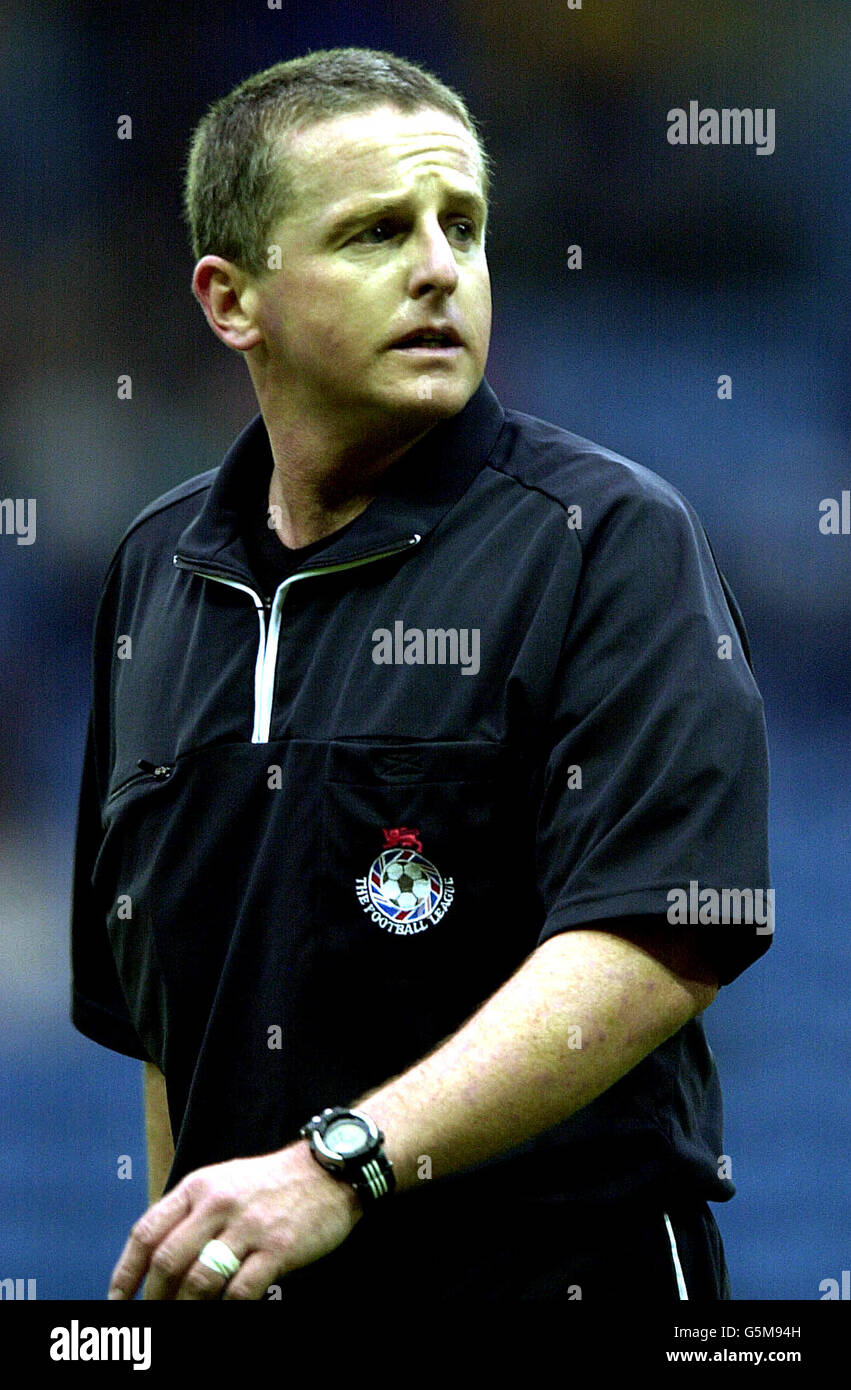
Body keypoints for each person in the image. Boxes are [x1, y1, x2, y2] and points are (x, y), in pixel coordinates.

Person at [70, 47, 772, 1302]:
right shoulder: (153, 573)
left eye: (464, 224)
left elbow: (663, 936)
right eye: (376, 232)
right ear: (232, 302)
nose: (441, 267)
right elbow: (165, 1024)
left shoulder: (604, 538)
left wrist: (339, 1167)